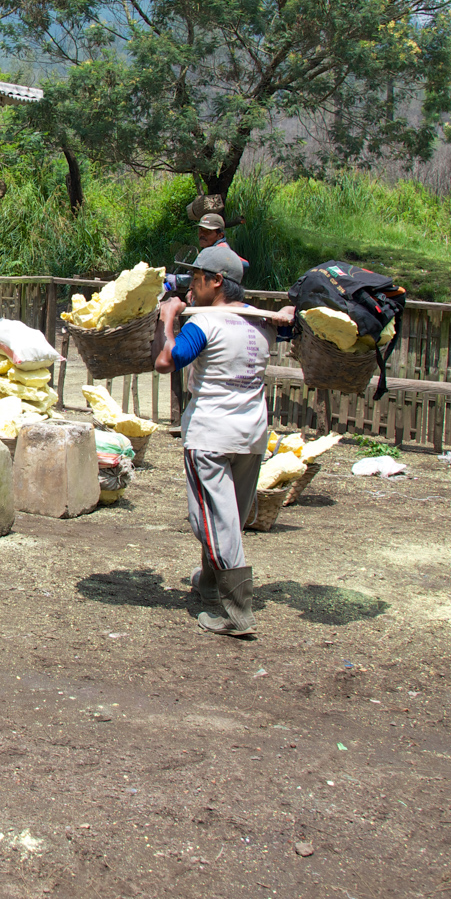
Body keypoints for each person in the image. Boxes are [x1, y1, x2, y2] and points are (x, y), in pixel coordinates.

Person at [153, 244, 292, 637]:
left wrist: (167, 320)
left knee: (215, 520)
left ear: (217, 282)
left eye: (197, 280)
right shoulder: (261, 324)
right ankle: (211, 584)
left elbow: (167, 361)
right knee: (229, 516)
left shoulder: (205, 324)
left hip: (211, 434)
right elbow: (291, 326)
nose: (192, 289)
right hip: (250, 435)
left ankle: (236, 613)